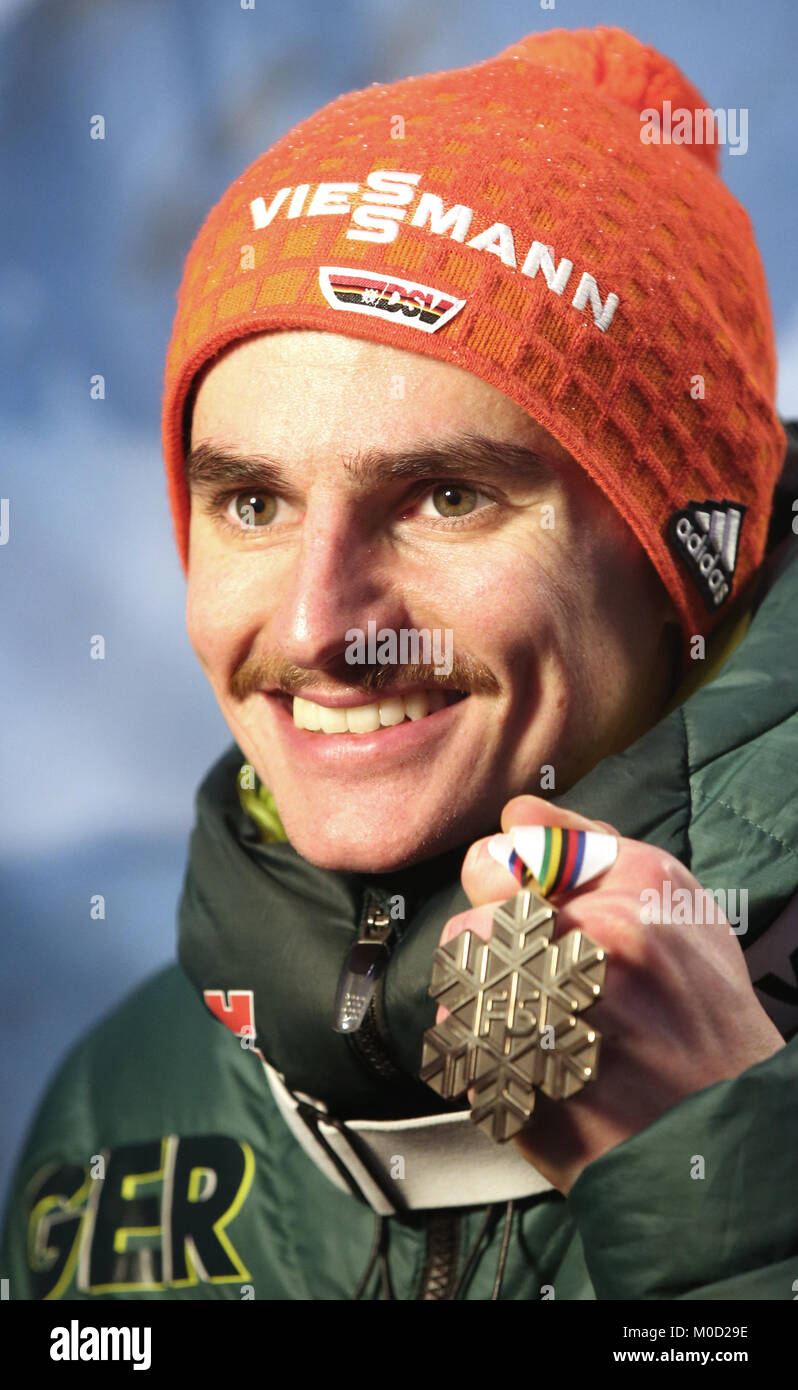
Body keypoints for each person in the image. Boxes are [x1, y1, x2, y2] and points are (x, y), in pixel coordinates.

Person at [3, 23, 798, 1302]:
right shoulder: (120, 1108)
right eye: (251, 503)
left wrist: (730, 1184)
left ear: (683, 563)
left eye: (443, 496)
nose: (322, 626)